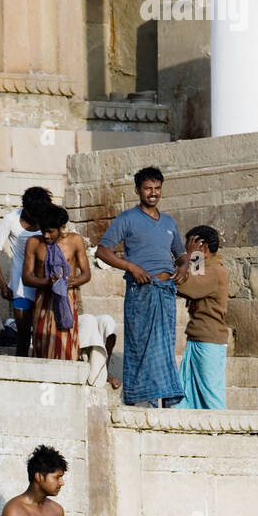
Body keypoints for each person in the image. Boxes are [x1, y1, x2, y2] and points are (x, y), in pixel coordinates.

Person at [95, 166, 190, 407]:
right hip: (141, 291)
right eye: (148, 188)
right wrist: (131, 267)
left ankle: (167, 400)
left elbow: (182, 255)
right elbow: (103, 251)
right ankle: (140, 399)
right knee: (140, 344)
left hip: (166, 292)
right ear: (138, 190)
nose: (153, 193)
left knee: (164, 347)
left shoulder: (169, 221)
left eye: (157, 188)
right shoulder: (127, 218)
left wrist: (183, 269)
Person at [0, 186, 51, 357]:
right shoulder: (11, 219)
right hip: (21, 285)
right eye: (34, 215)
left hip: (46, 284)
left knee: (44, 334)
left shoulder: (48, 218)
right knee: (23, 335)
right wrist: (2, 285)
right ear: (26, 209)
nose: (38, 218)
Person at [21, 205, 90, 361]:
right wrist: (48, 282)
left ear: (62, 227)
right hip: (43, 301)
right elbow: (26, 277)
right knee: (42, 341)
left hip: (67, 298)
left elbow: (86, 274)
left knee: (66, 344)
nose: (46, 235)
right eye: (43, 230)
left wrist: (72, 281)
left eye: (50, 231)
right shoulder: (33, 242)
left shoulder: (75, 241)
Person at [176, 225, 229, 409]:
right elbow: (195, 278)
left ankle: (225, 435)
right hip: (199, 339)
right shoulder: (207, 268)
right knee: (187, 397)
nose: (187, 250)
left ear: (203, 247)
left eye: (191, 246)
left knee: (212, 398)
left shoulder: (215, 271)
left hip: (209, 341)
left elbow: (186, 285)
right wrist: (194, 258)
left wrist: (187, 257)